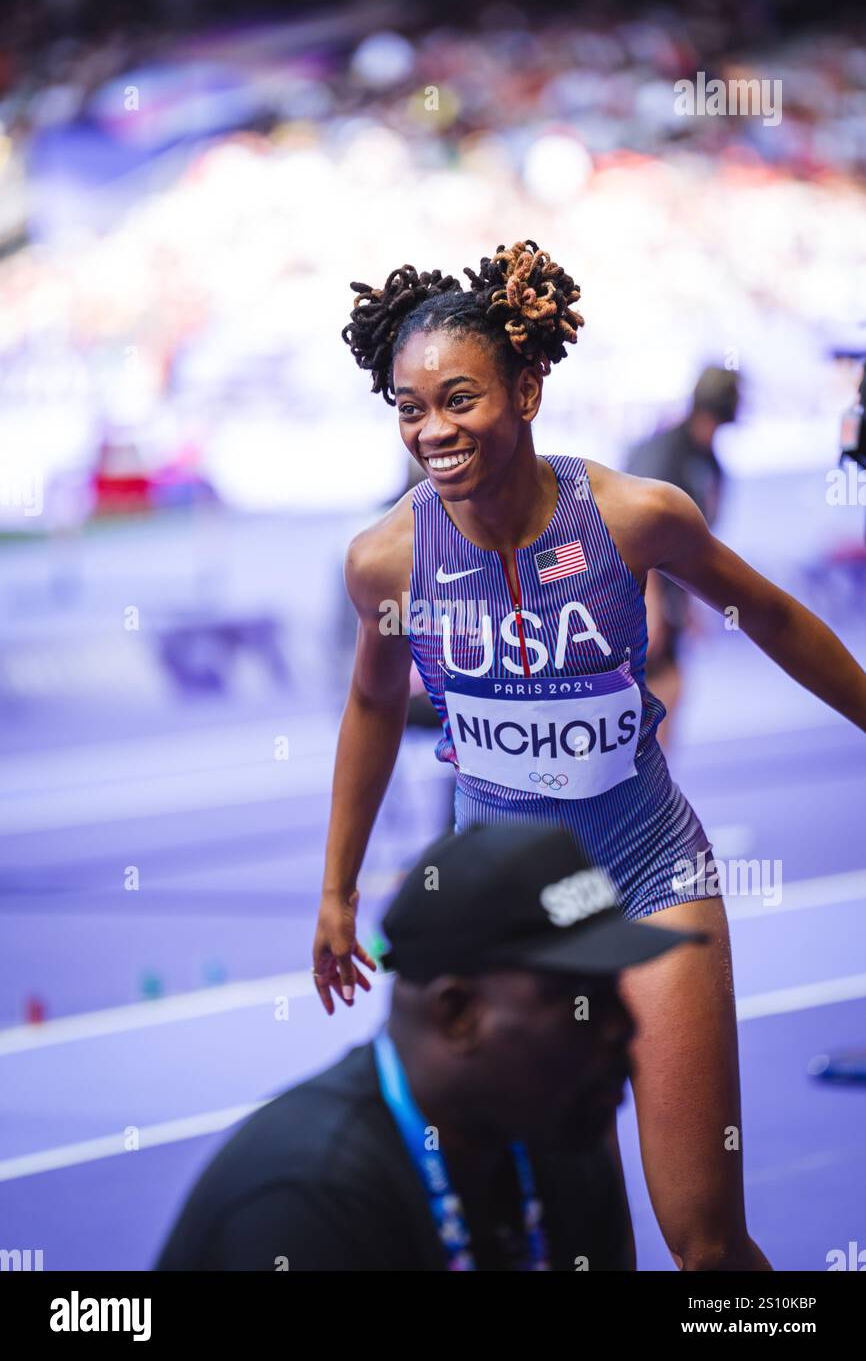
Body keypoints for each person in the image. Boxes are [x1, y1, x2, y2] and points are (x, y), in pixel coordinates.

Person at [313, 240, 866, 1271]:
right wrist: (337, 887)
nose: (431, 429)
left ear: (526, 388)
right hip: (515, 920)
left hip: (650, 870)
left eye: (459, 397)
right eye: (407, 406)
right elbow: (369, 700)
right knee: (577, 1251)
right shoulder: (384, 559)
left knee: (703, 1239)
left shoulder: (633, 516)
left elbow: (773, 616)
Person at [156, 822, 701, 1271]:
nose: (621, 1027)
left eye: (611, 993)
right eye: (578, 1000)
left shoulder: (563, 1150)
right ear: (458, 1015)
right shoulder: (304, 1208)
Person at [625, 367, 740, 746]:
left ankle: (651, 781)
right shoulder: (663, 452)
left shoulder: (708, 461)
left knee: (669, 689)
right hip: (635, 592)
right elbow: (640, 531)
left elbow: (697, 541)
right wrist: (651, 605)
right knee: (658, 689)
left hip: (665, 597)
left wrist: (687, 605)